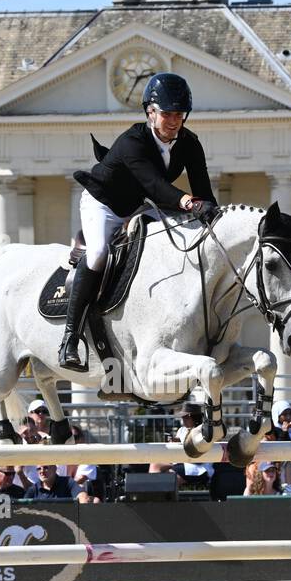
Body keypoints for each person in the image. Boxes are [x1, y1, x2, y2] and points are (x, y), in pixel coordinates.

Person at [62, 71, 216, 369]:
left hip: (137, 206)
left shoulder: (190, 144)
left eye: (180, 114)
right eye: (167, 113)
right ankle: (70, 338)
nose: (174, 120)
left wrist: (213, 215)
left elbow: (205, 191)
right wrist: (187, 202)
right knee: (98, 254)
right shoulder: (133, 141)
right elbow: (153, 184)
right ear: (150, 112)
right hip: (103, 205)